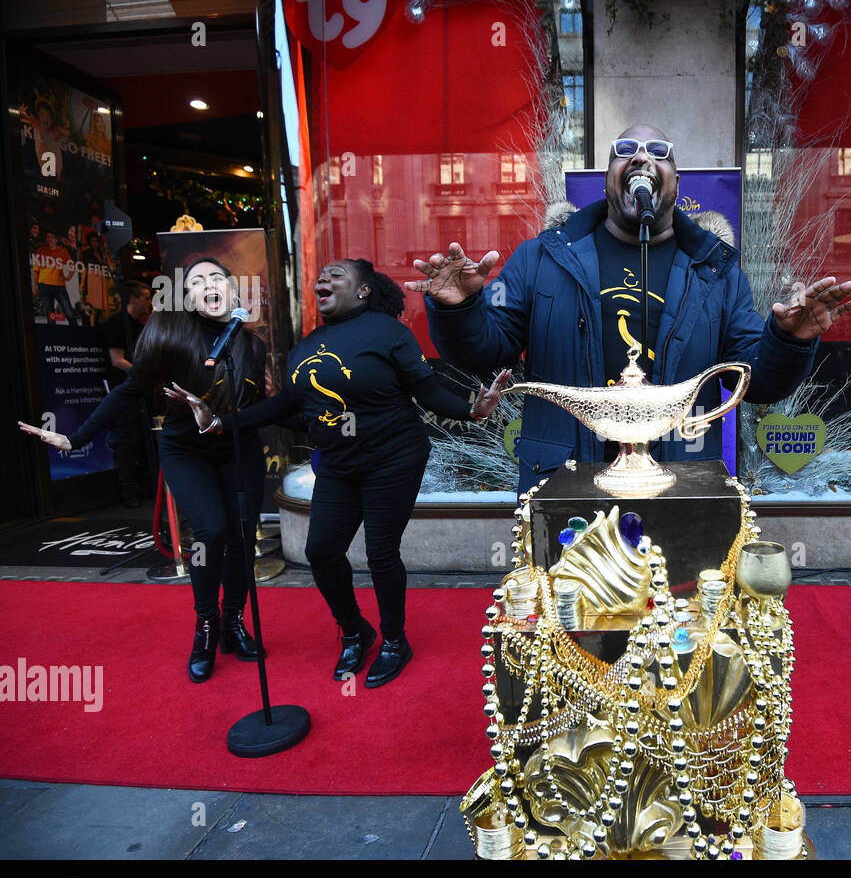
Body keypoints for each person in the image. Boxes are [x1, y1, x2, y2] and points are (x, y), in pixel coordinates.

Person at [407, 124, 851, 493]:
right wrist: (460, 309)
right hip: (565, 482)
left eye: (658, 151)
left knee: (676, 604)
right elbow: (485, 351)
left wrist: (789, 340)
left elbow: (754, 381)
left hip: (676, 481)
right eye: (625, 150)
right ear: (607, 178)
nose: (641, 158)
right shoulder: (541, 258)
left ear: (676, 182)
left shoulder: (717, 271)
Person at [173, 259, 510, 688]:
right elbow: (285, 407)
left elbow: (424, 390)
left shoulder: (388, 332)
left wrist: (472, 410)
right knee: (321, 551)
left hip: (393, 457)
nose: (323, 279)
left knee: (380, 552)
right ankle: (355, 630)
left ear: (364, 290)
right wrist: (219, 421)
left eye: (336, 274)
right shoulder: (307, 344)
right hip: (337, 463)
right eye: (321, 276)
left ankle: (393, 641)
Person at [19, 256, 269, 682]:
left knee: (244, 538)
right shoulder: (172, 338)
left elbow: (261, 406)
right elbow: (130, 391)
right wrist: (75, 438)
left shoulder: (252, 344)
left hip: (238, 448)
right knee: (211, 532)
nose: (208, 285)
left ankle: (233, 622)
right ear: (187, 297)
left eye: (216, 278)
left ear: (233, 290)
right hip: (187, 451)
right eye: (196, 282)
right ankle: (205, 628)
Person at [101, 280, 155, 506]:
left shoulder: (138, 326)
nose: (148, 302)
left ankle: (145, 488)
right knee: (127, 440)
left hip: (139, 389)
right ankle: (129, 493)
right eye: (145, 297)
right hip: (123, 391)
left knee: (143, 439)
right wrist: (141, 373)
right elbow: (117, 360)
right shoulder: (117, 325)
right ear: (133, 298)